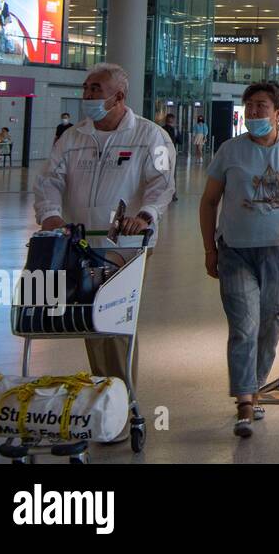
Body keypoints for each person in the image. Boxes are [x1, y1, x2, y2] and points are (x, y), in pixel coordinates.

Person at [32, 62, 176, 392]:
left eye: (95, 89)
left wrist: (146, 215)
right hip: (80, 243)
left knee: (113, 313)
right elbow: (49, 180)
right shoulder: (73, 137)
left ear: (119, 96)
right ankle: (102, 391)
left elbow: (162, 184)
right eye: (86, 88)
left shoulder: (150, 135)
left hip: (124, 244)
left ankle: (121, 397)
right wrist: (51, 214)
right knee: (88, 315)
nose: (87, 95)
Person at [199, 82, 279, 438]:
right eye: (248, 106)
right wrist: (209, 248)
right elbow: (208, 201)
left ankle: (256, 384)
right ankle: (245, 401)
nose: (253, 112)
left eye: (261, 106)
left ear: (278, 113)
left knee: (271, 323)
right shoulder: (229, 151)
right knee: (244, 324)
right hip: (235, 249)